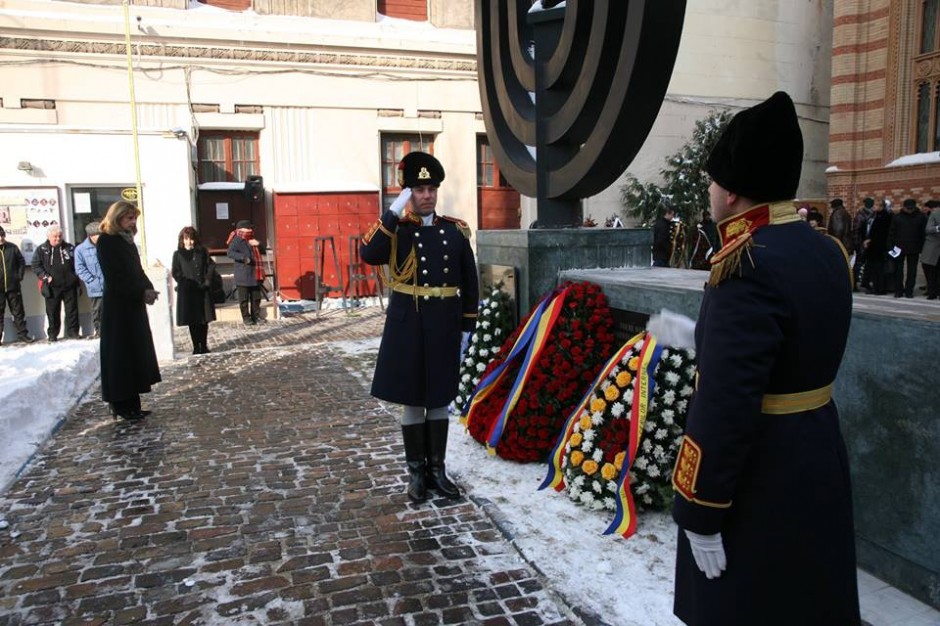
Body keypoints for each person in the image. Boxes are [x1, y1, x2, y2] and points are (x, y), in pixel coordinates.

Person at [670, 92, 860, 625]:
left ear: (731, 191)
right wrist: (701, 335)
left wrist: (701, 510)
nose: (709, 190)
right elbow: (792, 349)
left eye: (712, 180)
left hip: (759, 478)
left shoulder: (745, 261)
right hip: (816, 454)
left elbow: (727, 402)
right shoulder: (826, 251)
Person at [360, 151, 479, 503]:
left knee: (439, 398)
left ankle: (437, 470)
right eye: (419, 189)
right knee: (412, 400)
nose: (426, 195)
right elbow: (369, 254)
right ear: (409, 193)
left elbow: (470, 282)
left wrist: (466, 327)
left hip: (443, 323)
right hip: (408, 324)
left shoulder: (454, 231)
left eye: (431, 188)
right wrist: (394, 211)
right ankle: (415, 473)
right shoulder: (397, 230)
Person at [97, 201, 161, 421]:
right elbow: (115, 277)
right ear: (117, 218)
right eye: (129, 218)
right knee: (120, 356)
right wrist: (139, 293)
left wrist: (148, 288)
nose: (133, 222)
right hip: (118, 309)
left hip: (132, 306)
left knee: (134, 354)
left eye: (134, 218)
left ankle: (133, 403)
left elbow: (136, 270)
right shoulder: (107, 241)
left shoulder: (128, 241)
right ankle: (120, 404)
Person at [32, 225, 81, 342]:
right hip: (51, 286)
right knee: (52, 312)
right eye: (55, 237)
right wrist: (45, 277)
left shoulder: (69, 248)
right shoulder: (41, 249)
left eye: (60, 236)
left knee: (72, 310)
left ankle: (73, 332)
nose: (58, 239)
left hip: (70, 285)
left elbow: (78, 263)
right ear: (49, 237)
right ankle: (53, 334)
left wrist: (76, 277)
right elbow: (36, 265)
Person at [172, 226, 216, 354]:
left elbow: (210, 266)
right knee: (193, 320)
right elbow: (176, 271)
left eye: (191, 239)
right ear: (182, 240)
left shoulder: (202, 251)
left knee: (203, 320)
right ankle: (196, 346)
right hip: (188, 291)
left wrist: (207, 280)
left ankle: (204, 344)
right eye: (186, 239)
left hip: (202, 289)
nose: (189, 242)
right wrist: (184, 282)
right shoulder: (178, 254)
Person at [0, 226, 35, 346]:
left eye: (2, 235)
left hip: (13, 286)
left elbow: (21, 261)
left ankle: (23, 335)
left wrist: (19, 276)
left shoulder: (12, 248)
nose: (1, 238)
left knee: (18, 311)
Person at [227, 220, 265, 325]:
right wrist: (243, 258)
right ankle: (246, 318)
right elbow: (230, 253)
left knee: (256, 297)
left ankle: (256, 316)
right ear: (241, 229)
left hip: (255, 274)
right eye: (248, 228)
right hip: (243, 274)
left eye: (251, 228)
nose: (250, 230)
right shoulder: (237, 240)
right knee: (244, 299)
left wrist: (259, 244)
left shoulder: (252, 239)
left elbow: (263, 251)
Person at [887, 198, 927, 298]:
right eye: (908, 208)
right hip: (899, 247)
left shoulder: (921, 217)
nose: (909, 210)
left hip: (914, 247)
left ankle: (909, 290)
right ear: (904, 207)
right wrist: (890, 247)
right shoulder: (898, 217)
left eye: (911, 208)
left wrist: (922, 247)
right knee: (898, 270)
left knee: (912, 271)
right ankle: (899, 290)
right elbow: (891, 233)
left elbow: (923, 233)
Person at [74, 221, 105, 339]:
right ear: (91, 236)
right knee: (97, 311)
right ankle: (99, 332)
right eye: (98, 234)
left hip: (110, 285)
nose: (101, 236)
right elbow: (79, 268)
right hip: (95, 286)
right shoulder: (81, 250)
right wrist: (91, 280)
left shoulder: (107, 246)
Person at [862, 199, 892, 295]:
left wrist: (870, 240)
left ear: (881, 207)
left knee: (878, 269)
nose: (874, 207)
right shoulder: (877, 216)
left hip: (878, 247)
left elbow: (880, 233)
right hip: (875, 247)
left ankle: (879, 288)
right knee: (875, 269)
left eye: (876, 205)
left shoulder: (883, 217)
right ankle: (876, 287)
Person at [852, 197, 875, 291]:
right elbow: (856, 231)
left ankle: (864, 282)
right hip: (862, 244)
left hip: (868, 243)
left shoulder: (870, 214)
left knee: (866, 264)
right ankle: (854, 284)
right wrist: (858, 246)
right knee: (859, 264)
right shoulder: (861, 215)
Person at [922, 200, 940, 300]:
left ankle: (934, 291)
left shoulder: (934, 213)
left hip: (934, 247)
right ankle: (932, 291)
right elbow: (928, 229)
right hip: (932, 247)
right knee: (931, 270)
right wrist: (938, 228)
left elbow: (928, 229)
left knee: (934, 271)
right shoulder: (934, 214)